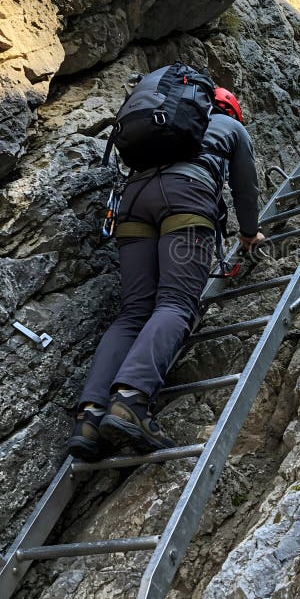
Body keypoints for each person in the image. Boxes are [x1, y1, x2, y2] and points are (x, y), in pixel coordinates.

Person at [67, 79, 265, 460]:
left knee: (132, 313)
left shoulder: (160, 129)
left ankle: (89, 417)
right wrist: (249, 233)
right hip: (185, 197)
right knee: (175, 303)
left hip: (133, 200)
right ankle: (130, 400)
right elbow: (244, 188)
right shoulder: (232, 129)